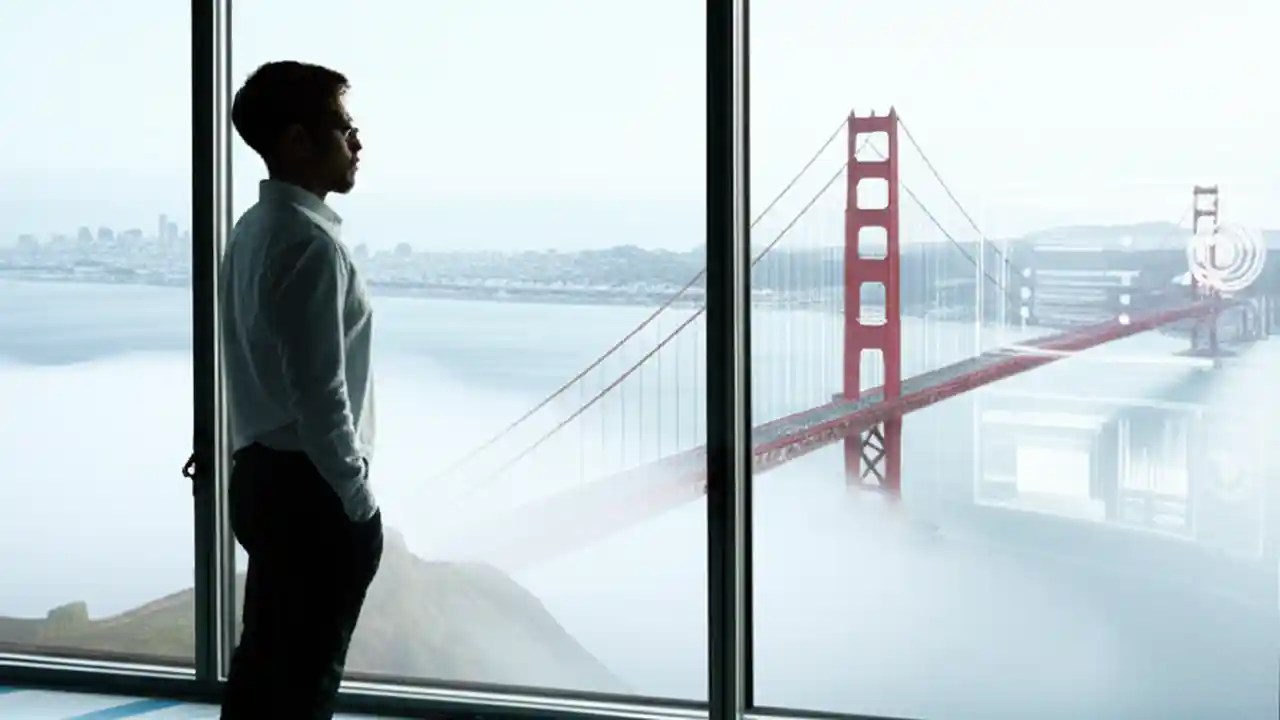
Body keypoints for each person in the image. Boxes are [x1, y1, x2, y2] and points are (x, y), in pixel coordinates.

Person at [218, 60, 382, 719]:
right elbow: (321, 397)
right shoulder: (311, 246)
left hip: (259, 479)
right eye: (344, 127)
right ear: (296, 141)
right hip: (310, 493)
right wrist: (356, 497)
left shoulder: (250, 231)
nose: (358, 142)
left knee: (263, 673)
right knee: (306, 685)